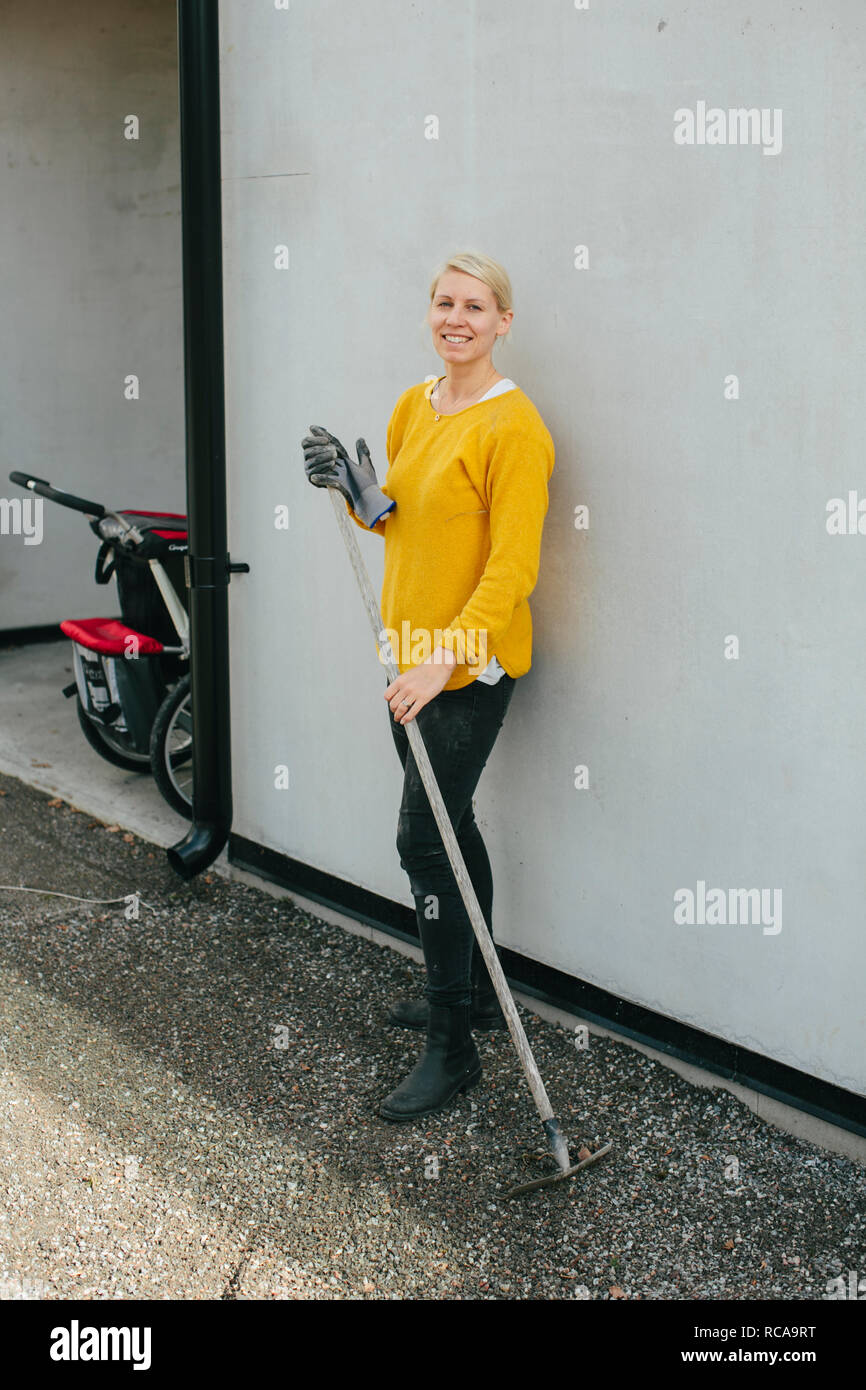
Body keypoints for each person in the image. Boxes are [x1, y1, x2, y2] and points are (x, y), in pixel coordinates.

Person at [302, 250, 555, 1121]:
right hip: (406, 658)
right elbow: (399, 522)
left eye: (476, 307)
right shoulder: (416, 403)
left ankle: (453, 1049)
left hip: (465, 667)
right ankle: (478, 994)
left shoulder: (514, 428)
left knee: (423, 841)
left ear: (503, 322)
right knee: (449, 831)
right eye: (444, 303)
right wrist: (354, 490)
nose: (457, 318)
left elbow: (510, 569)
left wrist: (444, 659)